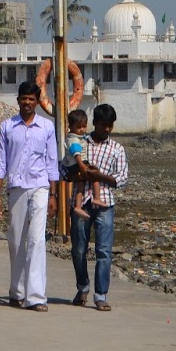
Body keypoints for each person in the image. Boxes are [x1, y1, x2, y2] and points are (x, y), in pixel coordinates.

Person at [0, 81, 60, 311]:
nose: (27, 103)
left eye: (32, 99)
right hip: (16, 187)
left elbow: (52, 162)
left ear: (37, 102)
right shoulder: (7, 127)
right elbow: (0, 163)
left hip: (40, 187)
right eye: (24, 99)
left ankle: (36, 297)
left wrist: (53, 195)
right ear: (18, 100)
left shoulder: (47, 127)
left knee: (36, 240)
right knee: (15, 239)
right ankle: (17, 291)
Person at [70, 104, 127, 311]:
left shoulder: (117, 149)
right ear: (94, 123)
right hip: (81, 201)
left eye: (110, 126)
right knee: (78, 249)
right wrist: (81, 174)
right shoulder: (79, 142)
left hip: (105, 202)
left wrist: (99, 176)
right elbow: (65, 168)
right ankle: (82, 286)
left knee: (103, 251)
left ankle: (101, 294)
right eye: (104, 125)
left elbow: (122, 179)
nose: (107, 129)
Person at [63, 108, 96, 221]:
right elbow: (76, 153)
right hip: (76, 163)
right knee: (94, 175)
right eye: (79, 127)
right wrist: (82, 166)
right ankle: (96, 198)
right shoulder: (73, 139)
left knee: (80, 185)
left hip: (76, 163)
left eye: (84, 126)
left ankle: (78, 206)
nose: (82, 129)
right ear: (71, 127)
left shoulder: (79, 137)